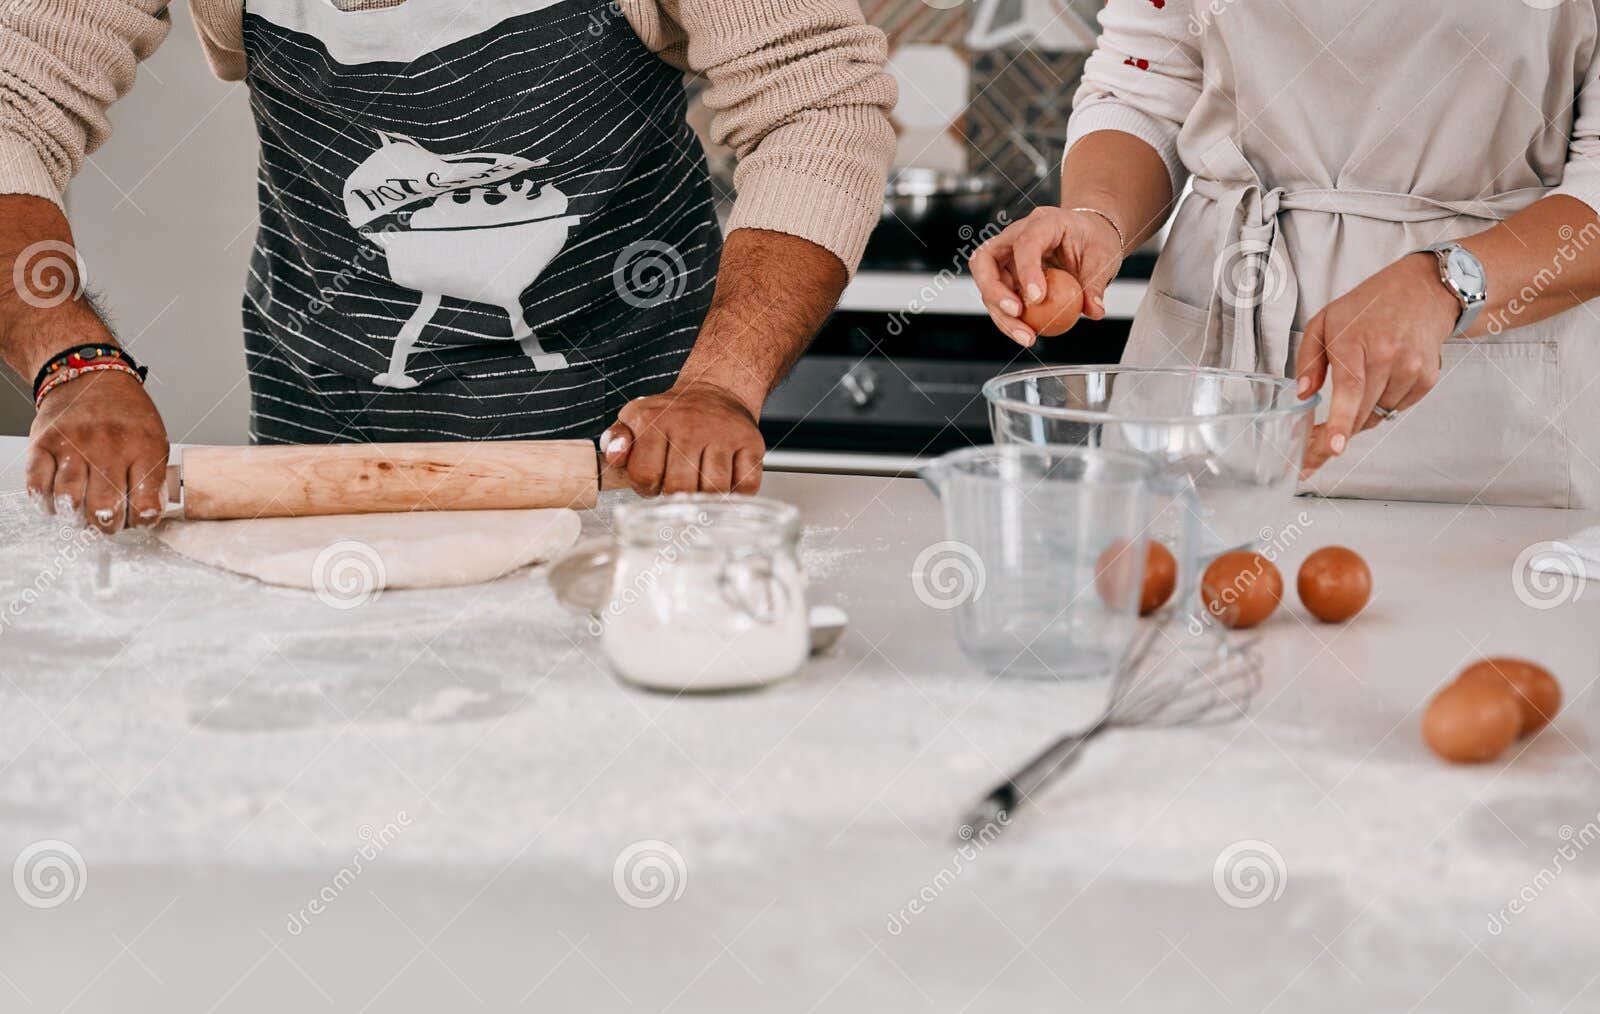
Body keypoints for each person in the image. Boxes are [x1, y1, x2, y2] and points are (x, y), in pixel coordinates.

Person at [0, 0, 895, 532]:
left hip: (631, 476)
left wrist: (721, 386)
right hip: (323, 470)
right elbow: (13, 102)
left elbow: (817, 101)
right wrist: (75, 365)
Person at [971, 0, 1600, 508]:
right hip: (1202, 392)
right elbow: (1144, 84)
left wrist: (1448, 284)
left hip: (1493, 431)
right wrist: (1098, 217)